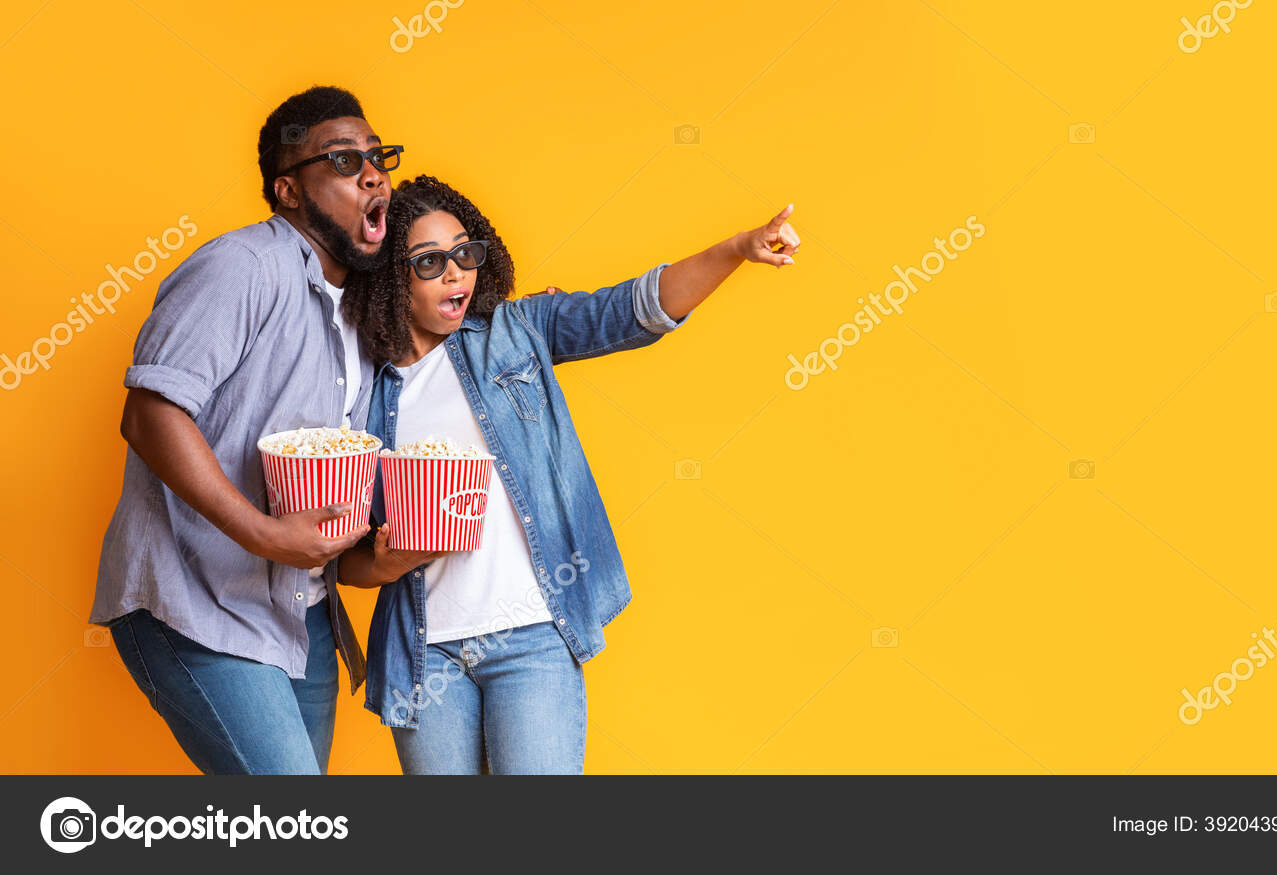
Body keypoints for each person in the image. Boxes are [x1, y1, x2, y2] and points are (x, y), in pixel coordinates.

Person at [338, 175, 800, 773]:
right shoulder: (359, 392)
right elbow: (340, 557)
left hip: (532, 637)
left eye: (463, 253)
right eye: (429, 262)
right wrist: (387, 563)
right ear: (390, 279)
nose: (455, 273)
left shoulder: (516, 333)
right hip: (424, 655)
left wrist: (735, 248)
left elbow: (633, 310)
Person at [91, 86, 402, 774]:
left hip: (301, 614)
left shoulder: (358, 310)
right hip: (195, 601)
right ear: (289, 191)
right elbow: (148, 413)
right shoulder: (240, 267)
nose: (375, 174)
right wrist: (264, 534)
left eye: (379, 158)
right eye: (346, 160)